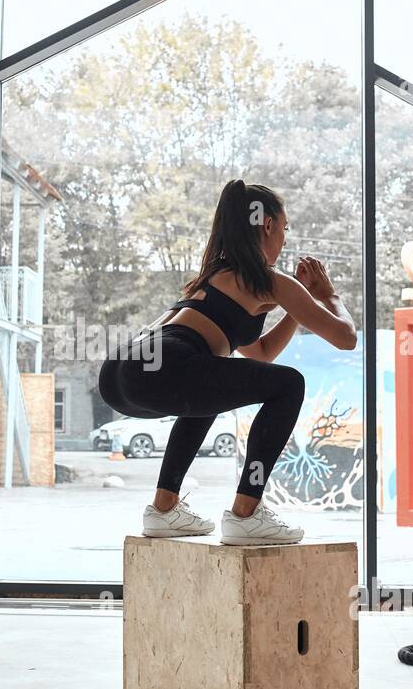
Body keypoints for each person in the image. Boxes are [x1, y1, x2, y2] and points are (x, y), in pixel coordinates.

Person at [97, 179, 357, 545]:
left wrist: (296, 310)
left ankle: (163, 508)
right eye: (283, 229)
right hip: (170, 364)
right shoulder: (268, 279)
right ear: (267, 225)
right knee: (289, 385)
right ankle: (245, 512)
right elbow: (346, 337)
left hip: (120, 373)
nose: (283, 239)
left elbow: (261, 352)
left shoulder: (211, 277)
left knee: (210, 391)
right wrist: (326, 294)